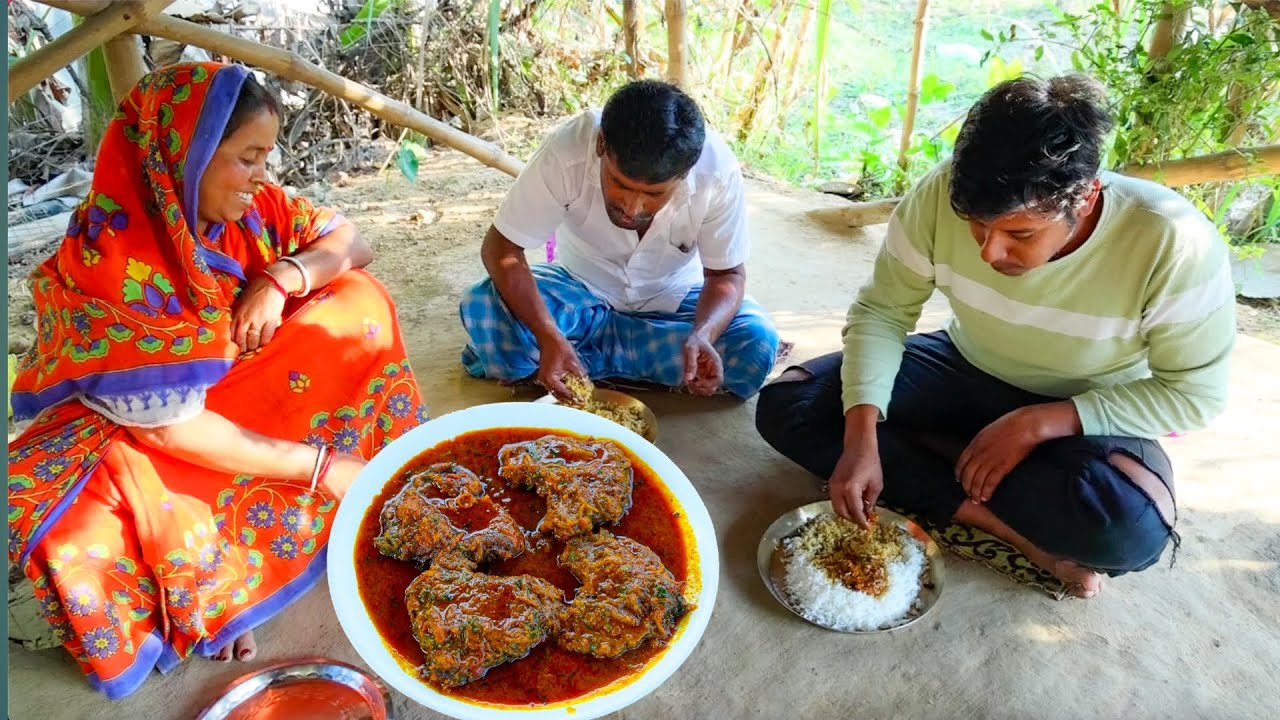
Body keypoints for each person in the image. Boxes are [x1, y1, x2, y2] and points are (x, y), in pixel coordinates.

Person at [6, 63, 429, 698]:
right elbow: (172, 429)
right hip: (142, 434)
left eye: (266, 156)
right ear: (184, 155)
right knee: (81, 534)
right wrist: (319, 467)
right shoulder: (109, 259)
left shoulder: (249, 208)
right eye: (247, 158)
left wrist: (283, 276)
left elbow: (349, 240)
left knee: (356, 301)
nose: (262, 174)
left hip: (233, 396)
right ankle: (230, 579)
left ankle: (319, 495)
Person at [755, 75, 1235, 598]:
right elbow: (883, 313)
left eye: (1020, 234)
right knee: (789, 403)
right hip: (965, 364)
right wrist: (861, 438)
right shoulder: (939, 193)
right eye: (976, 227)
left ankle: (937, 458)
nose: (989, 253)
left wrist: (1037, 423)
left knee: (1128, 529)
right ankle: (1012, 531)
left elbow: (1194, 395)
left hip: (1086, 404)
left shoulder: (1170, 239)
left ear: (1088, 195)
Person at [458, 80, 779, 400]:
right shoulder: (567, 150)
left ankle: (571, 362)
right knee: (484, 306)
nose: (631, 207)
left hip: (674, 298)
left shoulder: (717, 172)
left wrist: (703, 334)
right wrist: (547, 333)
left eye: (654, 194)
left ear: (685, 173)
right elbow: (502, 248)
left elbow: (726, 275)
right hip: (580, 291)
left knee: (755, 343)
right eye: (619, 183)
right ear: (601, 145)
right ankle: (576, 353)